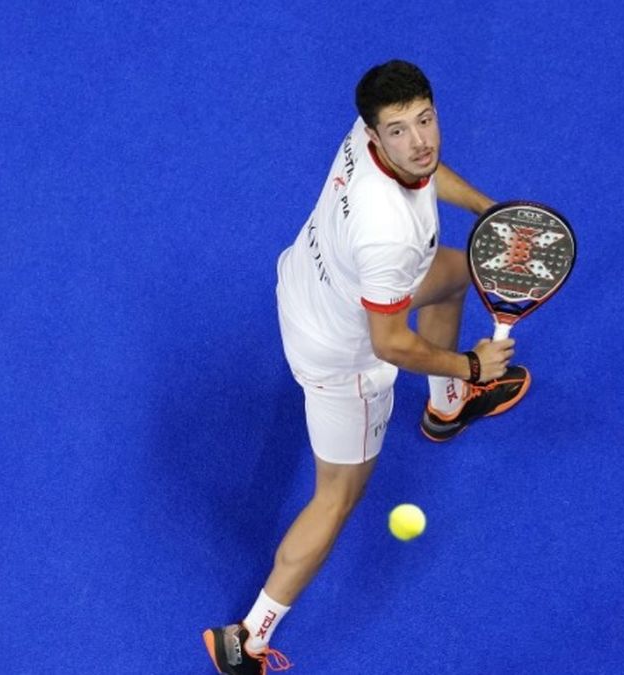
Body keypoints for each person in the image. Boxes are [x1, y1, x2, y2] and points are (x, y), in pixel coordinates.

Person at [202, 59, 529, 673]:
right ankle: (247, 638)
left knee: (459, 273)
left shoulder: (370, 133)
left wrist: (487, 208)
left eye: (425, 120)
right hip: (343, 354)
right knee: (337, 497)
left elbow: (425, 174)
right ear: (376, 135)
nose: (420, 140)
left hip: (306, 284)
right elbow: (389, 345)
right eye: (401, 131)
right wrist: (471, 364)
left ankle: (444, 411)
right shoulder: (389, 239)